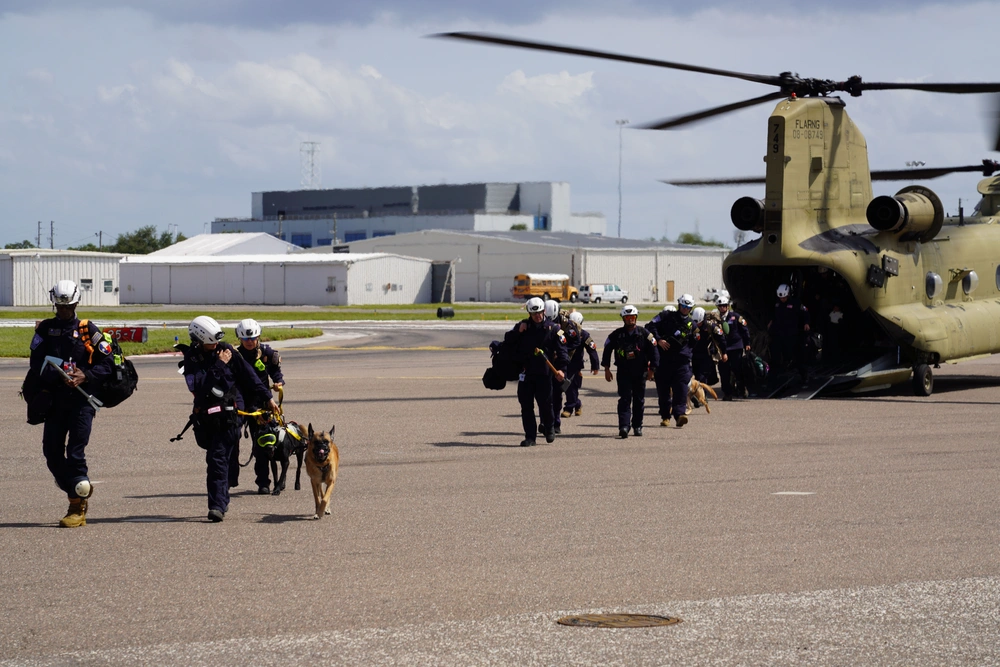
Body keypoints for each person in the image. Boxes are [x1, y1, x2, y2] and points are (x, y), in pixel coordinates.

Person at [26, 280, 114, 527]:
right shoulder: (44, 329)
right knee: (51, 453)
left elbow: (108, 363)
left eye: (69, 306)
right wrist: (57, 376)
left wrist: (86, 375)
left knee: (75, 453)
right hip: (54, 402)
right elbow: (35, 363)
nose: (64, 311)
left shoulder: (88, 330)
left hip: (81, 403)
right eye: (60, 306)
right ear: (54, 304)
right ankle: (79, 488)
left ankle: (76, 506)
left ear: (77, 303)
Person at [181, 316, 278, 522]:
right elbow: (200, 389)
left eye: (216, 341)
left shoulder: (227, 350)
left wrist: (268, 398)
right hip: (207, 416)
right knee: (221, 459)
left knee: (217, 458)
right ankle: (223, 498)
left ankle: (216, 506)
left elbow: (249, 376)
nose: (215, 346)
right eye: (210, 342)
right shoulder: (192, 359)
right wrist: (219, 365)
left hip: (230, 414)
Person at [234, 318, 286, 495]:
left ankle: (264, 482)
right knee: (231, 437)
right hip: (240, 403)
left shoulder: (266, 353)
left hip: (263, 403)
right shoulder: (234, 356)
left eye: (253, 338)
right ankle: (231, 476)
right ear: (240, 339)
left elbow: (276, 371)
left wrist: (278, 382)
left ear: (258, 337)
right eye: (245, 339)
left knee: (264, 442)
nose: (249, 342)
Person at [509, 297, 568, 447]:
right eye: (534, 314)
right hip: (526, 374)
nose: (538, 316)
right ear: (529, 313)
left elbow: (563, 352)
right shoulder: (523, 326)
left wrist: (561, 370)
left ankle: (549, 427)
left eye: (540, 313)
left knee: (546, 405)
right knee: (526, 406)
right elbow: (508, 340)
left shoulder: (554, 329)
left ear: (544, 312)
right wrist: (517, 332)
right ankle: (530, 437)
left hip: (544, 374)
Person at [602, 304, 658, 439]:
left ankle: (637, 426)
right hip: (624, 373)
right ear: (623, 319)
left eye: (632, 317)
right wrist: (607, 368)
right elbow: (607, 349)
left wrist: (652, 370)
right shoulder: (616, 335)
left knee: (639, 400)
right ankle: (624, 427)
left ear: (636, 318)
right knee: (625, 400)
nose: (630, 320)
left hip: (640, 373)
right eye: (627, 317)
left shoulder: (645, 334)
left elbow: (654, 352)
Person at [646, 294, 697, 428]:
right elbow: (649, 326)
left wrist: (687, 353)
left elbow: (694, 342)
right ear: (679, 305)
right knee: (663, 391)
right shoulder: (665, 316)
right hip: (664, 361)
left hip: (681, 362)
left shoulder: (692, 325)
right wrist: (658, 340)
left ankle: (680, 415)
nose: (685, 309)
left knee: (680, 390)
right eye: (684, 306)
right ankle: (665, 416)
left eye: (688, 307)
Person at [561, 310, 600, 418]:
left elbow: (592, 350)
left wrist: (595, 366)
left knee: (570, 387)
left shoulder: (584, 335)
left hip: (575, 366)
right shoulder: (563, 333)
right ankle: (577, 404)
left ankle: (568, 408)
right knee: (565, 387)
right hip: (563, 363)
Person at [545, 299, 575, 435]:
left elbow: (577, 339)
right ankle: (545, 422)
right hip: (544, 364)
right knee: (544, 395)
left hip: (560, 365)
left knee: (557, 395)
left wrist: (562, 351)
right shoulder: (540, 323)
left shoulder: (566, 325)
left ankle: (556, 423)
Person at [767, 283, 810, 376]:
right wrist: (771, 321)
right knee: (778, 353)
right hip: (780, 333)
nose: (782, 299)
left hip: (792, 333)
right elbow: (774, 314)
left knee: (797, 354)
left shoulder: (795, 303)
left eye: (784, 297)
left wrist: (806, 323)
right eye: (781, 298)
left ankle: (803, 374)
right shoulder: (777, 304)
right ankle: (780, 372)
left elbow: (805, 312)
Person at [716, 295, 752, 400]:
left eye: (724, 305)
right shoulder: (716, 319)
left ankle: (742, 390)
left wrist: (747, 343)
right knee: (724, 372)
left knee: (737, 369)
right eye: (720, 306)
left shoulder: (735, 316)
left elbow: (744, 329)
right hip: (723, 349)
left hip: (736, 347)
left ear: (727, 306)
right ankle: (728, 393)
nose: (722, 308)